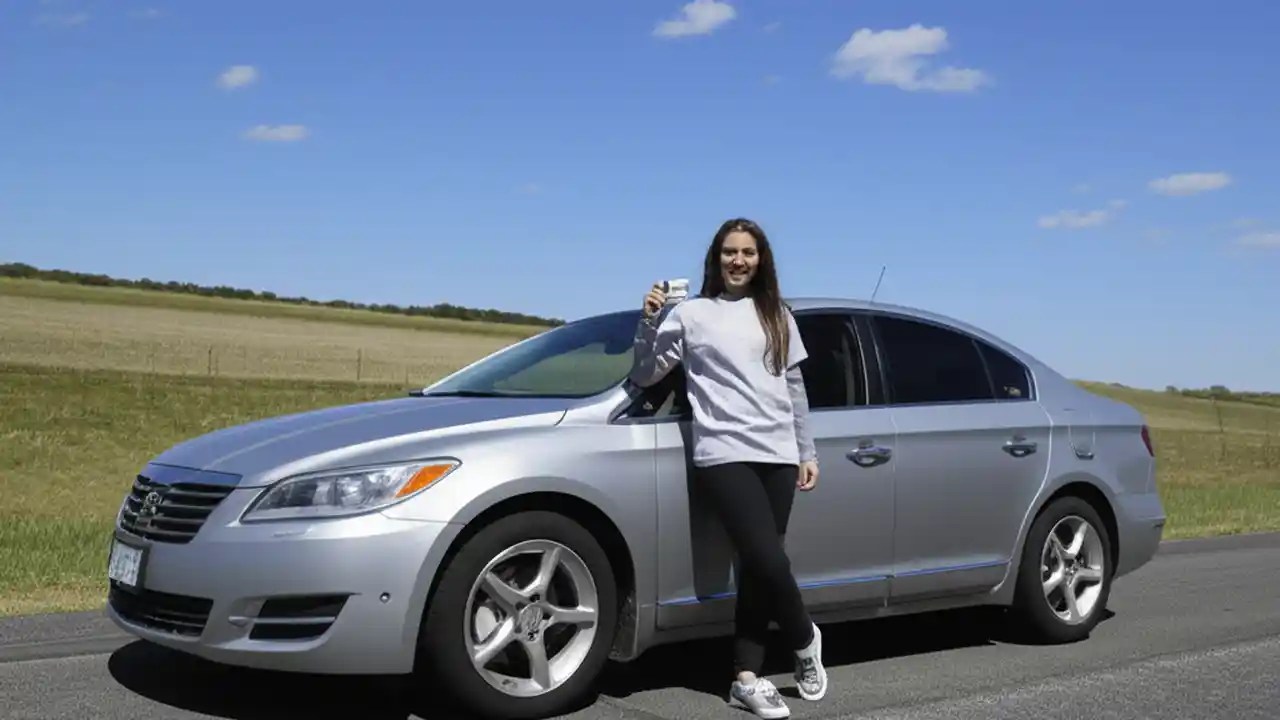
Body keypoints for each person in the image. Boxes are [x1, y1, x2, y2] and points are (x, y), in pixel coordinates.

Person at [629, 217, 827, 719]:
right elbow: (647, 372)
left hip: (778, 453)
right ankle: (805, 637)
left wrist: (807, 450)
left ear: (762, 261)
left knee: (760, 569)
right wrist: (649, 320)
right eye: (729, 252)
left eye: (749, 252)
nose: (738, 260)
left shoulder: (777, 314)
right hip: (723, 451)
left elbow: (794, 387)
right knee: (765, 555)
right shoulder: (691, 313)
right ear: (716, 258)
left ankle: (746, 676)